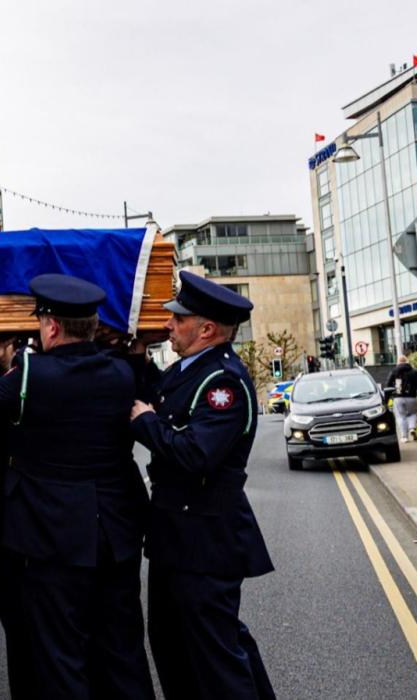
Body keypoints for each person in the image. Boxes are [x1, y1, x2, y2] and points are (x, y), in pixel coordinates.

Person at [0, 274, 154, 700]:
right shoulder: (121, 374)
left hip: (53, 543)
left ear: (50, 327)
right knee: (123, 653)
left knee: (62, 659)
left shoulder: (32, 374)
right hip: (115, 539)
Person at [130, 270, 276, 700]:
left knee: (214, 656)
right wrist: (138, 358)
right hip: (178, 535)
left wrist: (145, 424)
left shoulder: (223, 383)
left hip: (206, 539)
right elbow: (163, 395)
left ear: (207, 329)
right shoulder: (191, 369)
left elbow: (196, 453)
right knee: (175, 645)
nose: (168, 324)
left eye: (178, 318)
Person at [386, 355, 417, 442]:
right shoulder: (414, 372)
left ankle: (404, 437)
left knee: (401, 417)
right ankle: (412, 428)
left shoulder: (394, 371)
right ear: (407, 361)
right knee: (413, 414)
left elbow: (388, 385)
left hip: (398, 398)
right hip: (412, 398)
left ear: (398, 362)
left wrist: (387, 399)